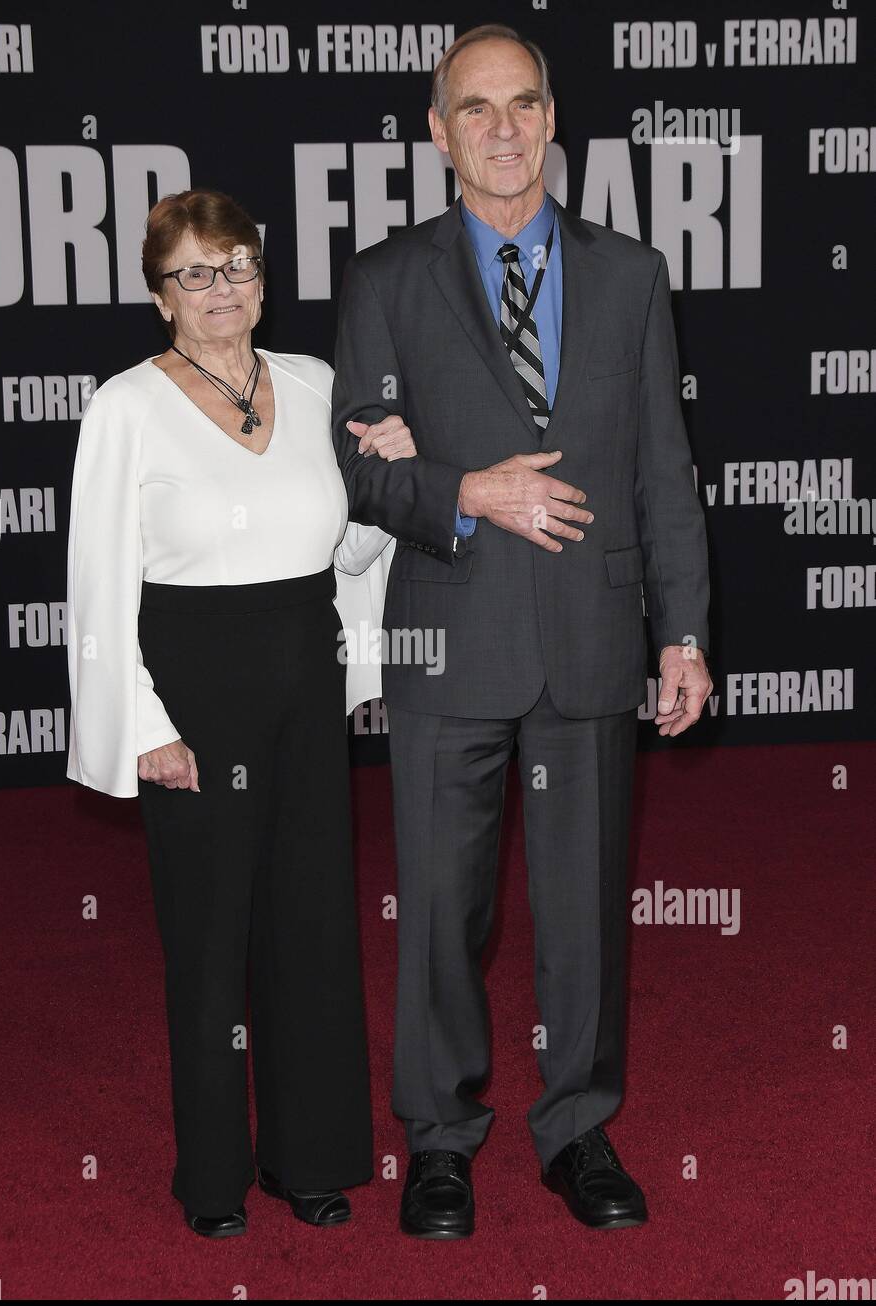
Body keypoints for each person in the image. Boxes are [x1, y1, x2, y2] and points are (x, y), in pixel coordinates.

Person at [332, 25, 712, 1239]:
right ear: (437, 134)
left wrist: (684, 631)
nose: (502, 128)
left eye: (524, 104)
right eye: (475, 109)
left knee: (586, 905)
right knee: (441, 909)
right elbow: (358, 473)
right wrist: (463, 489)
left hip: (594, 635)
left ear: (552, 119)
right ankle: (439, 1141)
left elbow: (665, 466)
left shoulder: (631, 273)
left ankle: (577, 1125)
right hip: (448, 636)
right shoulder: (385, 280)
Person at [65, 188, 401, 1237]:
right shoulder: (125, 405)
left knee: (311, 924)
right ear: (158, 292)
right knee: (210, 941)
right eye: (196, 273)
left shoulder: (311, 385)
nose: (222, 290)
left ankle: (310, 1157)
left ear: (263, 276)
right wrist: (144, 721)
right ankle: (210, 1177)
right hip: (193, 690)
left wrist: (387, 489)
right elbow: (99, 580)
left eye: (239, 266)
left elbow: (335, 551)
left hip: (303, 676)